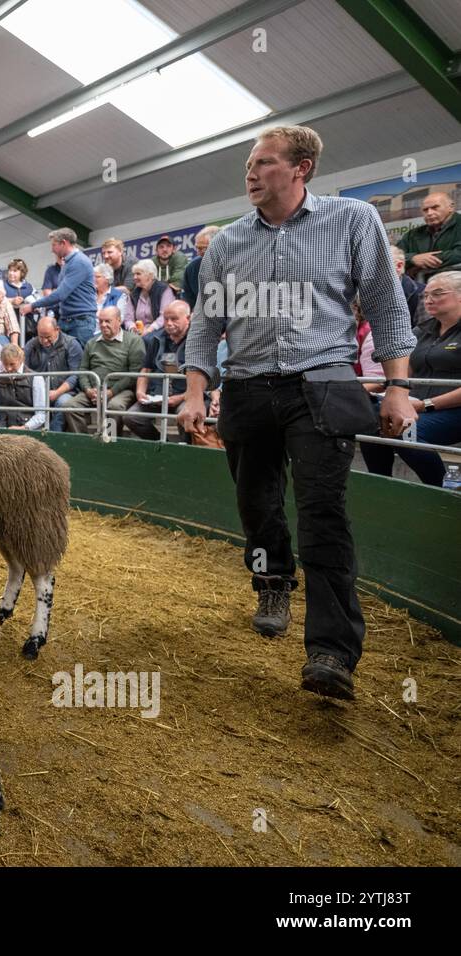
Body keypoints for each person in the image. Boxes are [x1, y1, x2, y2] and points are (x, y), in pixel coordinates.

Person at [178, 124, 417, 701]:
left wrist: (396, 387)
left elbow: (385, 303)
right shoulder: (230, 242)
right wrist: (193, 390)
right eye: (248, 167)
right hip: (249, 387)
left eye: (263, 163)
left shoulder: (352, 220)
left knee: (324, 513)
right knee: (256, 504)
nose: (251, 175)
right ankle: (272, 579)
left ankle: (332, 651)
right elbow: (207, 325)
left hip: (325, 380)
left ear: (301, 168)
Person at [360, 271, 461, 485]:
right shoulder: (421, 331)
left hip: (450, 410)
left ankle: (440, 488)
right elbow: (403, 375)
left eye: (438, 293)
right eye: (426, 295)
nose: (428, 300)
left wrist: (425, 405)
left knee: (403, 429)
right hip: (415, 405)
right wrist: (365, 388)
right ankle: (381, 485)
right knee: (370, 420)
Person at [62, 306, 144, 434]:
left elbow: (134, 373)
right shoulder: (92, 343)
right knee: (70, 406)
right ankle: (84, 442)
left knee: (114, 407)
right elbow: (83, 369)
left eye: (108, 321)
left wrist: (111, 391)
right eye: (100, 321)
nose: (103, 325)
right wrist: (88, 390)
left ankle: (110, 441)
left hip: (120, 390)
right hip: (94, 390)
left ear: (119, 320)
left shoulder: (133, 341)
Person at [123, 301, 192, 441]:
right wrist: (140, 391)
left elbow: (203, 379)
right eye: (166, 319)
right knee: (131, 417)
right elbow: (146, 369)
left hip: (185, 396)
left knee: (186, 416)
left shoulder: (197, 341)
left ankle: (187, 451)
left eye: (174, 319)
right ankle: (161, 444)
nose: (169, 323)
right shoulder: (155, 339)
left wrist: (180, 397)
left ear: (188, 318)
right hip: (157, 396)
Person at [23, 228, 98, 345]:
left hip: (80, 322)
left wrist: (33, 305)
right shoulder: (67, 263)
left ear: (64, 243)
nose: (52, 249)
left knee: (79, 361)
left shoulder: (79, 262)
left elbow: (60, 294)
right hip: (66, 319)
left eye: (54, 245)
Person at [25, 316, 82, 432]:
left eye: (48, 337)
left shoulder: (71, 344)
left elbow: (75, 375)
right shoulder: (31, 345)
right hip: (38, 391)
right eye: (41, 337)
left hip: (65, 391)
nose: (44, 341)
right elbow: (24, 370)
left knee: (62, 402)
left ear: (57, 330)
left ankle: (54, 435)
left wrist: (57, 392)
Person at [398, 191, 461, 282]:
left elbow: (458, 254)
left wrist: (421, 264)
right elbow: (393, 257)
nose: (429, 213)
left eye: (435, 207)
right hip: (421, 289)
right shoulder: (413, 234)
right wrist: (413, 258)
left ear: (451, 207)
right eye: (425, 210)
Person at [0, 343, 48, 430]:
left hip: (28, 429)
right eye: (5, 364)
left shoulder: (36, 378)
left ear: (21, 359)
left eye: (12, 364)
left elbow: (41, 414)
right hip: (3, 428)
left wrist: (24, 427)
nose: (8, 368)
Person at [126, 259, 174, 335]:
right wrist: (132, 328)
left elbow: (164, 316)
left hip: (159, 331)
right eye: (134, 274)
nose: (134, 277)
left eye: (138, 274)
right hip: (138, 333)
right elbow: (128, 318)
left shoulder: (164, 290)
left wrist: (149, 330)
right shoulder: (134, 294)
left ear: (150, 275)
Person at [180, 225, 221, 311]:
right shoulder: (191, 268)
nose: (199, 253)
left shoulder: (233, 263)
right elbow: (187, 301)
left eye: (203, 249)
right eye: (197, 248)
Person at [94, 263, 130, 328]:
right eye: (93, 277)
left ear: (107, 279)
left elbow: (120, 319)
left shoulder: (119, 296)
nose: (94, 279)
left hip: (107, 332)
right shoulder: (90, 295)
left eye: (97, 277)